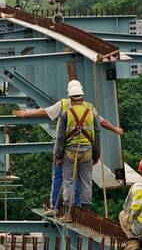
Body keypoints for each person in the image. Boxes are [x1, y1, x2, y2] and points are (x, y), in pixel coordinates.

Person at [14, 79, 124, 217]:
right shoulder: (90, 108)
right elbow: (100, 126)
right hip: (87, 151)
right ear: (82, 96)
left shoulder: (64, 106)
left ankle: (61, 208)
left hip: (67, 151)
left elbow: (49, 118)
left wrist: (26, 113)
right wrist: (114, 130)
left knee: (65, 180)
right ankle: (82, 210)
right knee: (84, 181)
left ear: (70, 95)